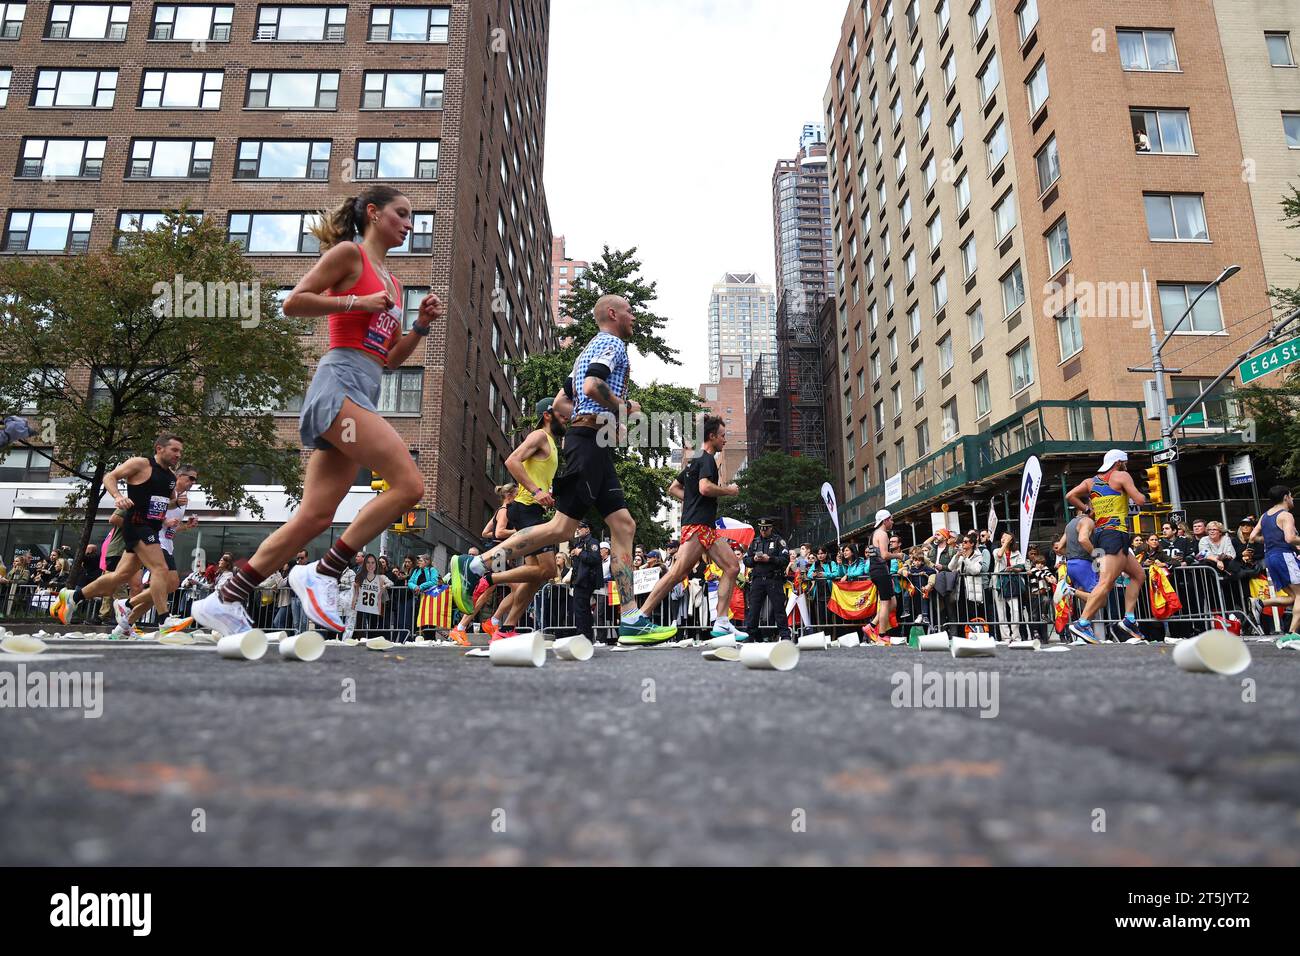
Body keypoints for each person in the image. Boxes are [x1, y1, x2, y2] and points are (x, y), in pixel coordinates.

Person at [192, 184, 443, 636]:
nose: (409, 224)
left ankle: (226, 597)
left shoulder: (395, 282)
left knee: (315, 516)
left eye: (412, 218)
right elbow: (293, 303)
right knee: (409, 484)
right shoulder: (349, 255)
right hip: (337, 385)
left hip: (363, 388)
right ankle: (324, 572)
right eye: (401, 214)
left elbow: (388, 358)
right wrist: (356, 301)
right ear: (372, 213)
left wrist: (420, 326)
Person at [446, 295, 656, 641]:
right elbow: (592, 386)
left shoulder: (587, 350)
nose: (634, 317)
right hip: (588, 443)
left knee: (624, 523)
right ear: (614, 314)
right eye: (631, 312)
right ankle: (475, 566)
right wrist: (624, 407)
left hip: (594, 445)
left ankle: (631, 617)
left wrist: (594, 416)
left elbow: (562, 400)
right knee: (561, 528)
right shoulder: (611, 344)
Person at [626, 416, 745, 642]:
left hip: (705, 527)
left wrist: (691, 503)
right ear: (711, 437)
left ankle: (721, 622)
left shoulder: (694, 460)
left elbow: (674, 488)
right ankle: (639, 617)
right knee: (676, 573)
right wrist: (729, 490)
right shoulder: (708, 458)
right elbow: (705, 487)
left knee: (731, 567)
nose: (725, 440)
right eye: (722, 436)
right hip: (699, 527)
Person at [51, 433, 183, 632]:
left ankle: (73, 596)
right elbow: (109, 476)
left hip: (152, 527)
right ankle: (164, 621)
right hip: (137, 524)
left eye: (180, 451)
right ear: (159, 448)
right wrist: (118, 496)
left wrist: (176, 502)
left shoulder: (170, 477)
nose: (178, 455)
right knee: (160, 570)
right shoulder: (141, 464)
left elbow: (166, 501)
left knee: (120, 576)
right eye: (174, 450)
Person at [472, 399, 566, 643]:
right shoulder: (539, 436)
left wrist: (547, 492)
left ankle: (506, 628)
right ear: (547, 415)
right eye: (562, 414)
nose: (567, 417)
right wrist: (536, 491)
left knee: (536, 576)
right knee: (548, 570)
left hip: (531, 510)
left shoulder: (553, 444)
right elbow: (511, 460)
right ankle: (488, 576)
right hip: (525, 508)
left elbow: (536, 472)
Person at [1065, 449, 1147, 643]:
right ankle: (1082, 624)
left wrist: (1087, 509)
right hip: (1115, 534)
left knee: (1138, 575)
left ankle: (1128, 620)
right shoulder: (1121, 475)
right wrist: (1137, 493)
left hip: (1104, 535)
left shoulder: (1090, 482)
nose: (1126, 465)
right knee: (1106, 583)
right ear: (1118, 462)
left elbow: (1070, 495)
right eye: (1125, 462)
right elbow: (1140, 500)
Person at [112, 462, 201, 636]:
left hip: (166, 542)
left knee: (159, 593)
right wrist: (163, 521)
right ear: (179, 476)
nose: (193, 482)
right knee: (171, 583)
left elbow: (171, 528)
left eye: (195, 480)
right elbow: (148, 512)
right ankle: (127, 604)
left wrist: (185, 526)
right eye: (190, 478)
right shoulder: (163, 489)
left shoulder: (182, 499)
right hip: (154, 540)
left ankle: (123, 626)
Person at [1249, 486, 1300, 642]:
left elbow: (1252, 537)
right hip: (1284, 556)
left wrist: (1271, 538)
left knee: (1293, 597)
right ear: (1285, 497)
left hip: (1271, 557)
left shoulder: (1265, 515)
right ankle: (1292, 633)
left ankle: (1260, 603)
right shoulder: (1286, 515)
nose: (1292, 499)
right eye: (1291, 496)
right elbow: (1290, 538)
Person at [743, 517, 790, 642]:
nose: (763, 531)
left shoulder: (778, 541)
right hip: (758, 579)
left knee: (779, 608)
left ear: (771, 528)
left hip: (773, 579)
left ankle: (785, 635)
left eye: (766, 529)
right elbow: (746, 560)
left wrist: (770, 559)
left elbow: (785, 559)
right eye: (761, 529)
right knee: (753, 609)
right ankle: (751, 635)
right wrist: (754, 559)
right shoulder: (755, 542)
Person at [864, 509, 905, 643]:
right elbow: (885, 555)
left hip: (877, 571)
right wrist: (898, 555)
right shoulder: (883, 534)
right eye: (891, 519)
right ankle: (881, 634)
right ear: (885, 520)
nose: (892, 522)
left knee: (892, 603)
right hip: (880, 571)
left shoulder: (874, 534)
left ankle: (871, 626)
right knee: (886, 603)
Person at [569, 520, 604, 642]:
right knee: (582, 609)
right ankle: (586, 637)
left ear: (587, 529)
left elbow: (594, 558)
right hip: (580, 580)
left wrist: (580, 553)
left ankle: (583, 636)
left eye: (580, 527)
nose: (577, 529)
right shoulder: (580, 543)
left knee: (581, 610)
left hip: (586, 581)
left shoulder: (592, 542)